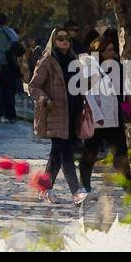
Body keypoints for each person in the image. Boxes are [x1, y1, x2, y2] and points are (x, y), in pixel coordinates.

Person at [28, 24, 85, 204]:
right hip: (54, 113)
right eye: (60, 38)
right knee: (66, 152)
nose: (65, 42)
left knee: (57, 154)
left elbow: (79, 86)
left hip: (72, 113)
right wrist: (45, 100)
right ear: (53, 40)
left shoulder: (74, 60)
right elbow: (33, 86)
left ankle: (44, 188)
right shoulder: (48, 61)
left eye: (67, 38)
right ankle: (76, 192)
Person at [78, 34, 131, 193]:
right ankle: (84, 184)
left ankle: (128, 185)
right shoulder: (89, 65)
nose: (113, 52)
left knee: (121, 152)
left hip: (114, 116)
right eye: (109, 50)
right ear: (100, 51)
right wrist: (97, 115)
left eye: (113, 49)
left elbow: (123, 90)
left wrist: (126, 110)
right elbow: (87, 93)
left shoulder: (116, 65)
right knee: (90, 151)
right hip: (98, 117)